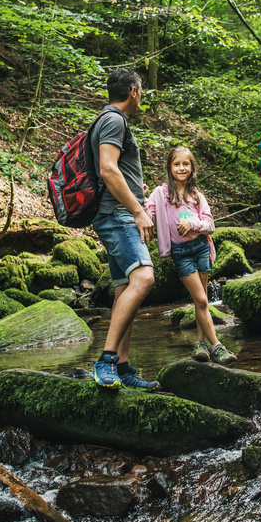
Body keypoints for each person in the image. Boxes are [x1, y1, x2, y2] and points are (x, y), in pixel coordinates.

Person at [90, 67, 159, 390]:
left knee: (123, 289)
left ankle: (123, 365)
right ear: (133, 91)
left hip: (117, 211)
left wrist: (135, 191)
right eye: (140, 90)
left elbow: (115, 169)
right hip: (118, 215)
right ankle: (105, 361)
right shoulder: (114, 120)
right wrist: (137, 210)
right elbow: (107, 168)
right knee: (144, 277)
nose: (141, 95)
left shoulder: (109, 120)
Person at [146, 146, 236, 365]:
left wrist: (192, 223)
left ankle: (200, 342)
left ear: (192, 168)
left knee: (200, 300)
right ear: (169, 167)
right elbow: (148, 214)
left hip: (201, 247)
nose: (181, 168)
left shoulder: (197, 195)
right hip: (181, 253)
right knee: (202, 299)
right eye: (177, 164)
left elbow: (210, 225)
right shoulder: (161, 193)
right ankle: (217, 346)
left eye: (186, 164)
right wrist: (140, 196)